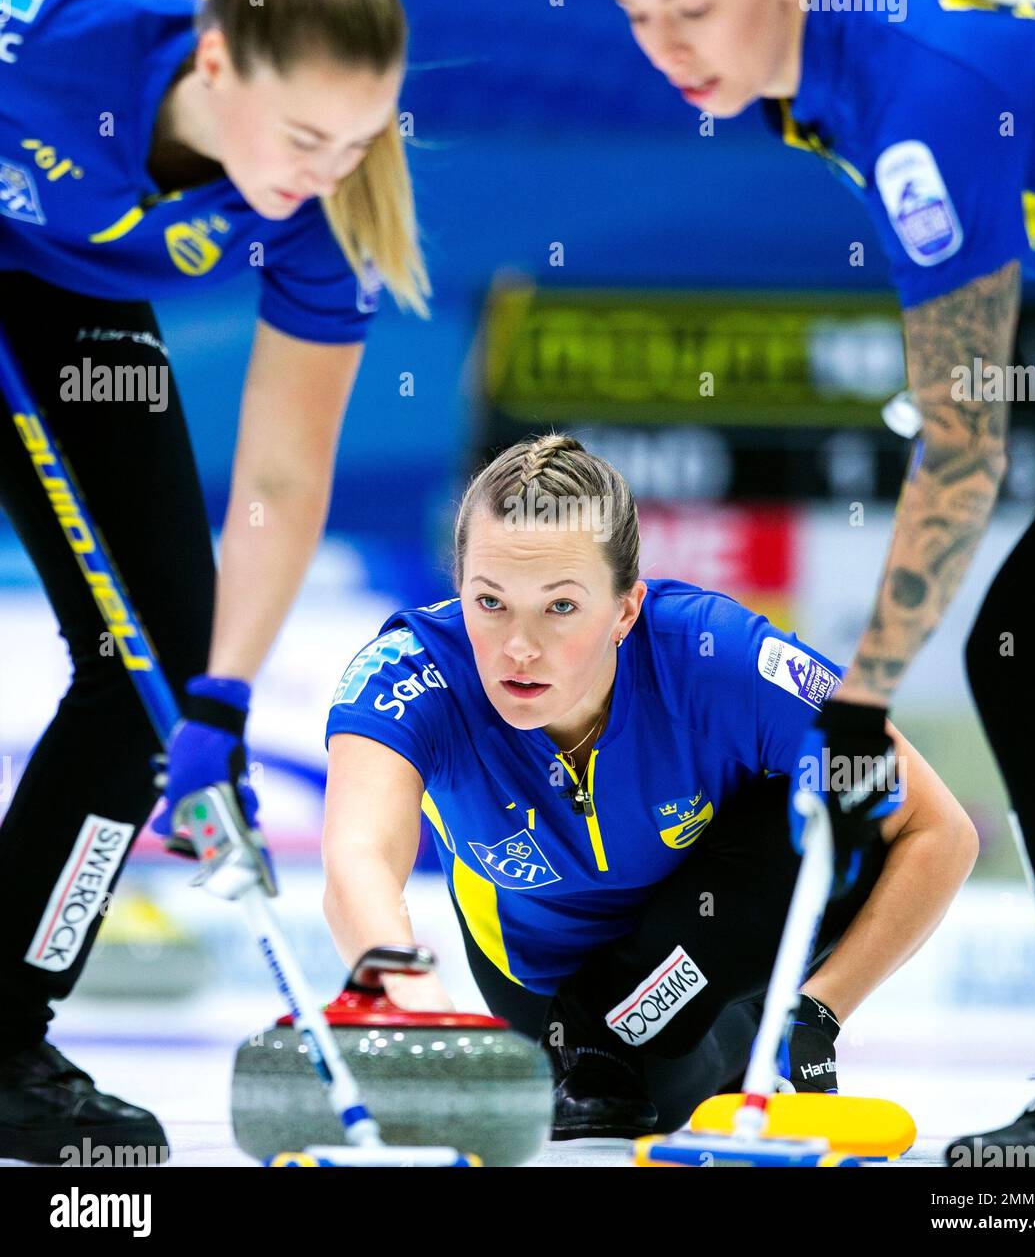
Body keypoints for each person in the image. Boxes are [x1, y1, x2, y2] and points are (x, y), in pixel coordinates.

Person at [607, 0, 1035, 1165]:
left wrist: (860, 702)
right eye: (637, 16)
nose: (665, 50)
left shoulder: (917, 107)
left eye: (690, 11)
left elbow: (964, 450)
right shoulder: (823, 32)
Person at [0, 0, 429, 1164]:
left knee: (154, 673)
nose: (327, 173)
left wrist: (222, 701)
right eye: (305, 138)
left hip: (69, 300)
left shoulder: (332, 210)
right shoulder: (48, 36)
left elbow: (282, 482)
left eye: (358, 141)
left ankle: (4, 1033)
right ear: (217, 61)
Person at [322, 434, 977, 1138]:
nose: (518, 646)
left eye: (561, 607)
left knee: (838, 797)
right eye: (490, 602)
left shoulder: (718, 658)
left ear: (627, 611)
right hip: (541, 991)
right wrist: (416, 998)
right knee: (643, 1090)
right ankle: (623, 1048)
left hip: (715, 939)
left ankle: (740, 1034)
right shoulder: (410, 677)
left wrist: (820, 1011)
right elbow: (357, 858)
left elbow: (937, 830)